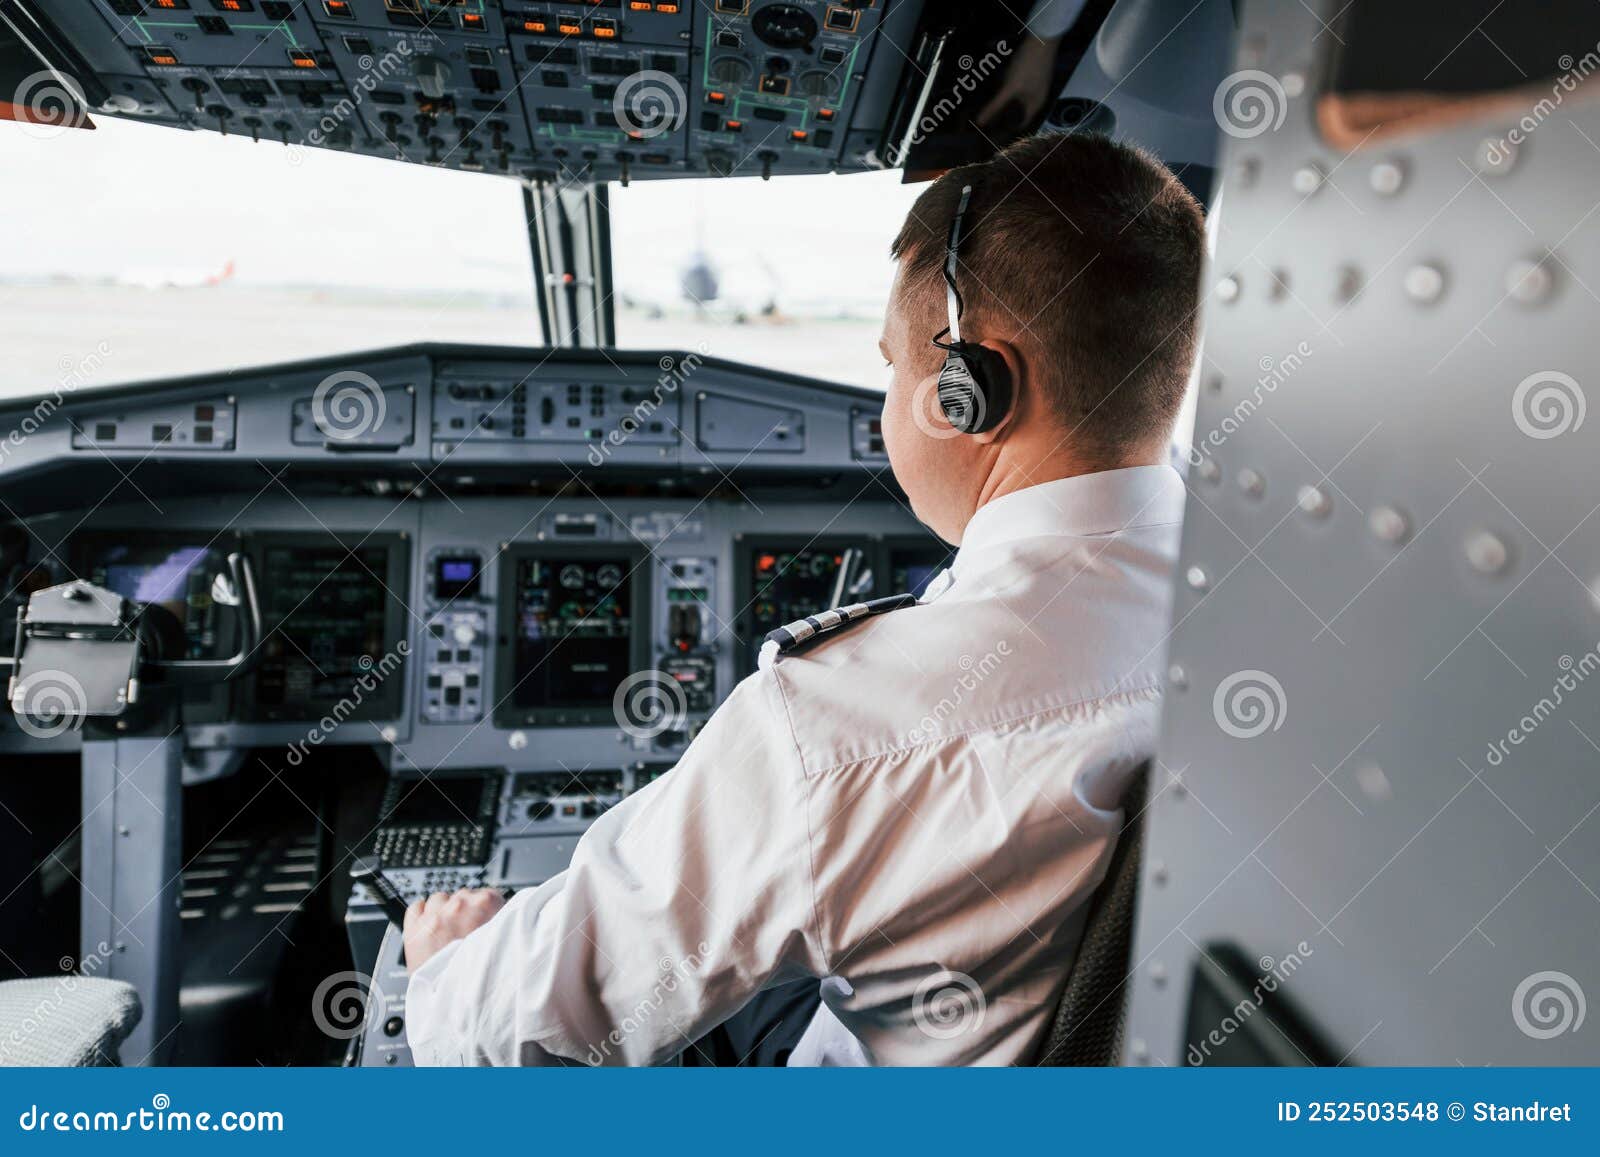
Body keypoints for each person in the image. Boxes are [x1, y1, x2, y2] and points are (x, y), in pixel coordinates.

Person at [402, 131, 1206, 1066]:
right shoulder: (1261, 599)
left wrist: (449, 972)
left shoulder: (843, 723)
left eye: (894, 367)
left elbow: (540, 1020)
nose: (887, 403)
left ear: (968, 392)